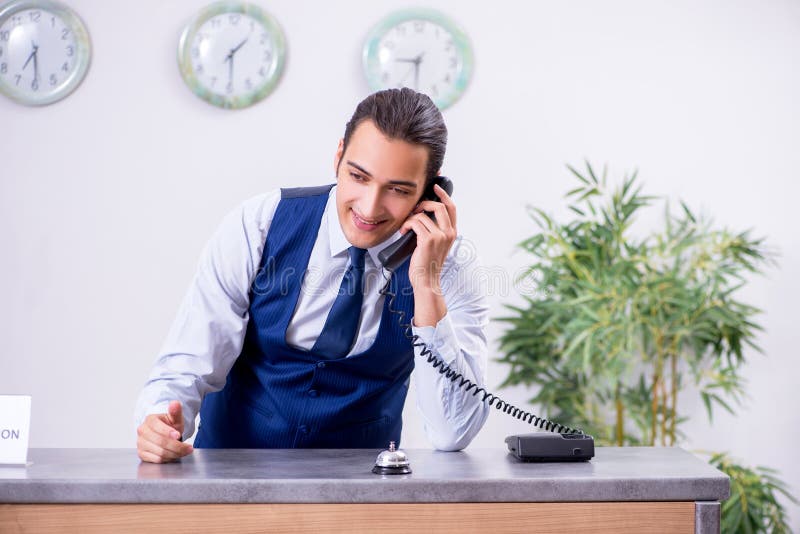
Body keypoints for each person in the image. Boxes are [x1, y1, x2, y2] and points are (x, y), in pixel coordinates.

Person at [134, 88, 490, 463]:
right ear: (338, 157)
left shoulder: (451, 263)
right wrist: (159, 420)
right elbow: (188, 361)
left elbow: (454, 431)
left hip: (362, 497)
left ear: (430, 193)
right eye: (358, 176)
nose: (369, 207)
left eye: (398, 190)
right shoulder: (258, 223)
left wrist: (427, 285)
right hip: (230, 484)